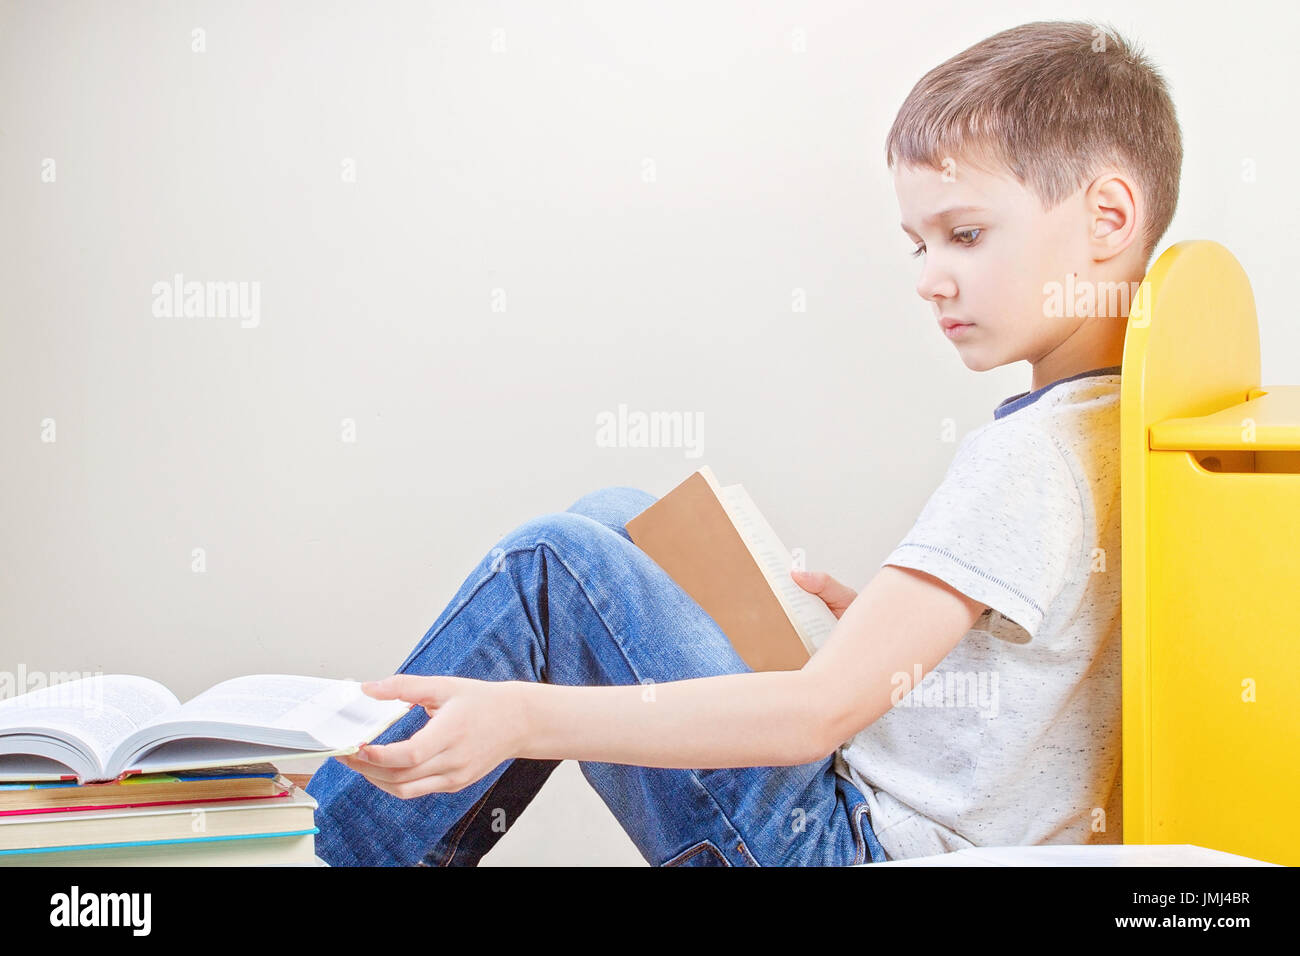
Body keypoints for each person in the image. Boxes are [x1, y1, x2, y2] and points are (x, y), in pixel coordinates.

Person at [305, 18, 1183, 865]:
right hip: (896, 814)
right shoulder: (1120, 425)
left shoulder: (1027, 460)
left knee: (557, 564)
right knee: (615, 519)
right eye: (917, 245)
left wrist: (527, 716)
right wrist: (890, 640)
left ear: (1108, 218)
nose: (929, 278)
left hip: (845, 847)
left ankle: (308, 854)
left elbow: (812, 717)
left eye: (964, 234)